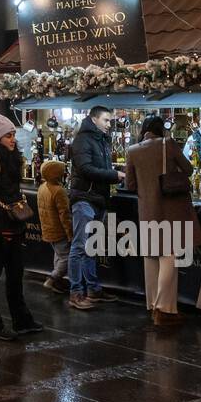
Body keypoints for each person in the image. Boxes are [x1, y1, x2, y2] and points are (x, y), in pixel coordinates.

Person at [124, 115, 201, 326]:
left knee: (150, 257)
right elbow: (188, 169)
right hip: (170, 208)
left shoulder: (132, 150)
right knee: (169, 256)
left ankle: (152, 305)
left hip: (147, 209)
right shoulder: (169, 144)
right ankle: (164, 310)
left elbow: (130, 184)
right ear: (161, 129)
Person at [0, 115, 43, 340]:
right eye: (8, 136)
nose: (12, 140)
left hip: (13, 223)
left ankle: (21, 319)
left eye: (13, 135)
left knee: (16, 273)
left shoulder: (12, 158)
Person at [66, 105, 124, 310]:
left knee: (90, 247)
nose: (109, 124)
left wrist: (113, 173)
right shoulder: (83, 139)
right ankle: (75, 292)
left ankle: (92, 289)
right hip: (84, 198)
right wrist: (114, 176)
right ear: (94, 119)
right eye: (106, 120)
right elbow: (86, 168)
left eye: (110, 121)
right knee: (80, 246)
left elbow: (99, 167)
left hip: (97, 198)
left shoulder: (100, 140)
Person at [36, 159, 72, 295]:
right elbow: (65, 216)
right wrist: (70, 234)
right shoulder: (58, 191)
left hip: (48, 229)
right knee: (66, 258)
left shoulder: (42, 187)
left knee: (58, 255)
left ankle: (57, 283)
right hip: (59, 231)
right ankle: (53, 278)